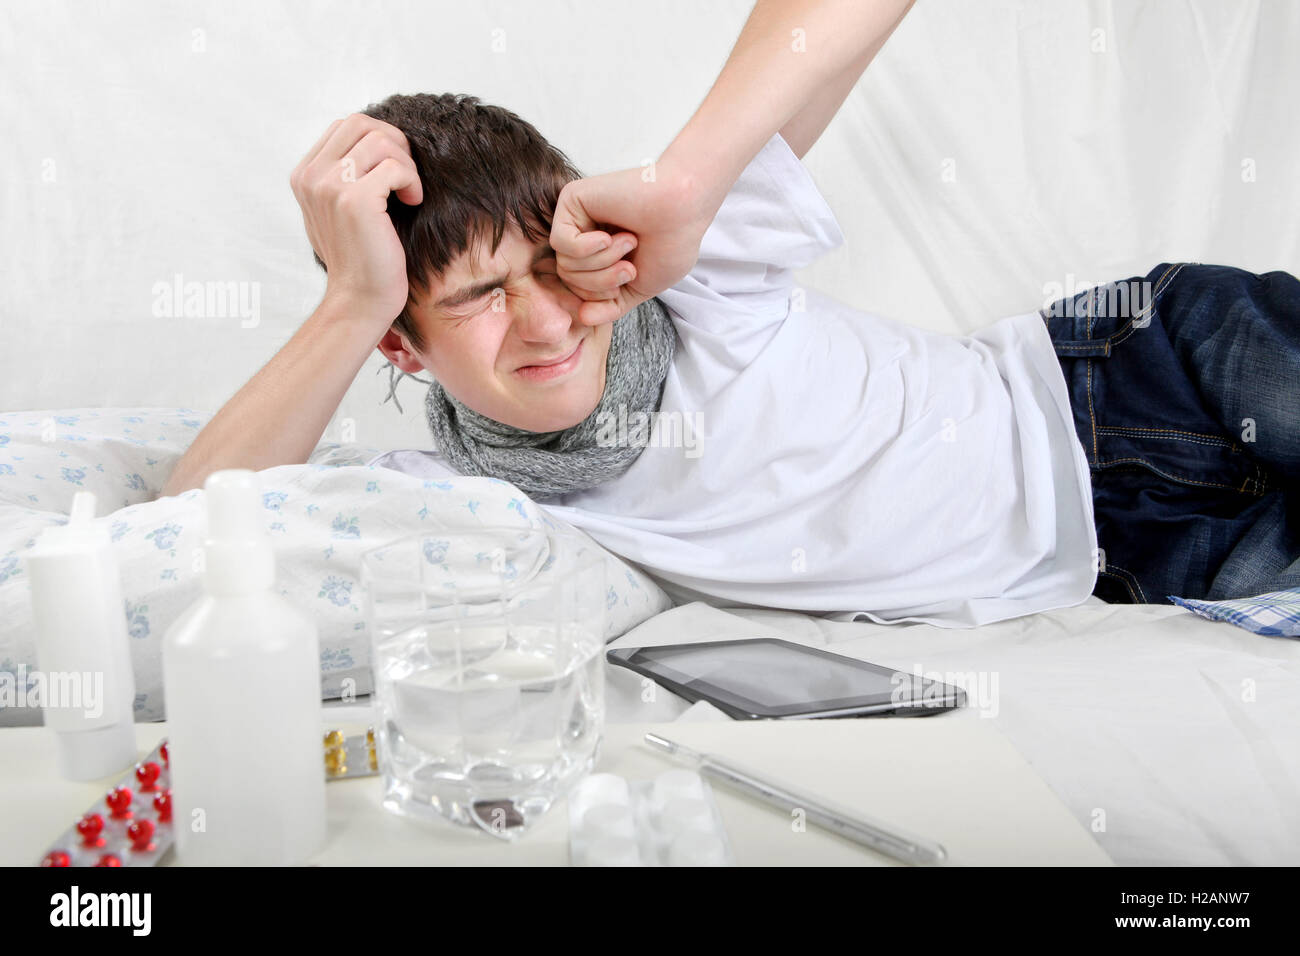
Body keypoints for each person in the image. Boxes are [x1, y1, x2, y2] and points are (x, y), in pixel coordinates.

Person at [160, 0, 1299, 624]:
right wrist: (354, 296)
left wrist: (689, 179)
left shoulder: (687, 267)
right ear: (401, 344)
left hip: (1125, 376)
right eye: (476, 300)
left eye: (550, 268)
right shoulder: (470, 498)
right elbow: (181, 531)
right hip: (1135, 554)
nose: (550, 322)